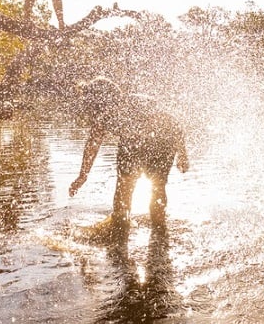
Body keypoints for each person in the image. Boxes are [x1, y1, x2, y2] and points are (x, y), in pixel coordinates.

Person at [68, 77, 190, 237]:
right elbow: (93, 144)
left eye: (103, 106)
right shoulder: (102, 116)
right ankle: (121, 228)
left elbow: (173, 123)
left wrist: (182, 153)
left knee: (157, 187)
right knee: (124, 186)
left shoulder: (138, 104)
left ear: (114, 98)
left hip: (163, 143)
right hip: (132, 145)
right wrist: (83, 175)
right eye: (97, 108)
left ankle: (159, 232)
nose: (101, 113)